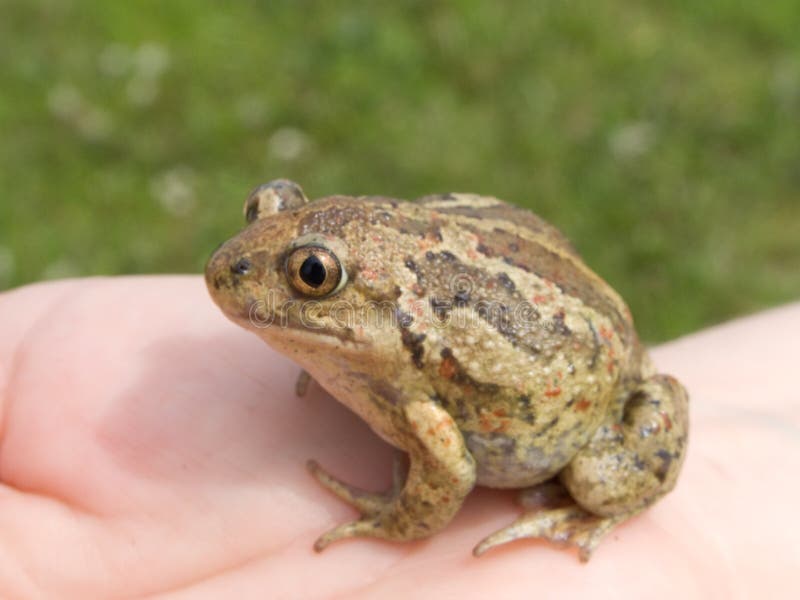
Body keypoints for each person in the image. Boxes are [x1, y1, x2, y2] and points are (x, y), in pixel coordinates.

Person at [0, 276, 796, 598]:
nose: (242, 270)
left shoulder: (419, 382)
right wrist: (326, 350)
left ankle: (594, 509)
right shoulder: (383, 347)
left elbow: (445, 467)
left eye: (310, 277)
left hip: (595, 398)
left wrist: (394, 521)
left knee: (596, 481)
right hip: (535, 302)